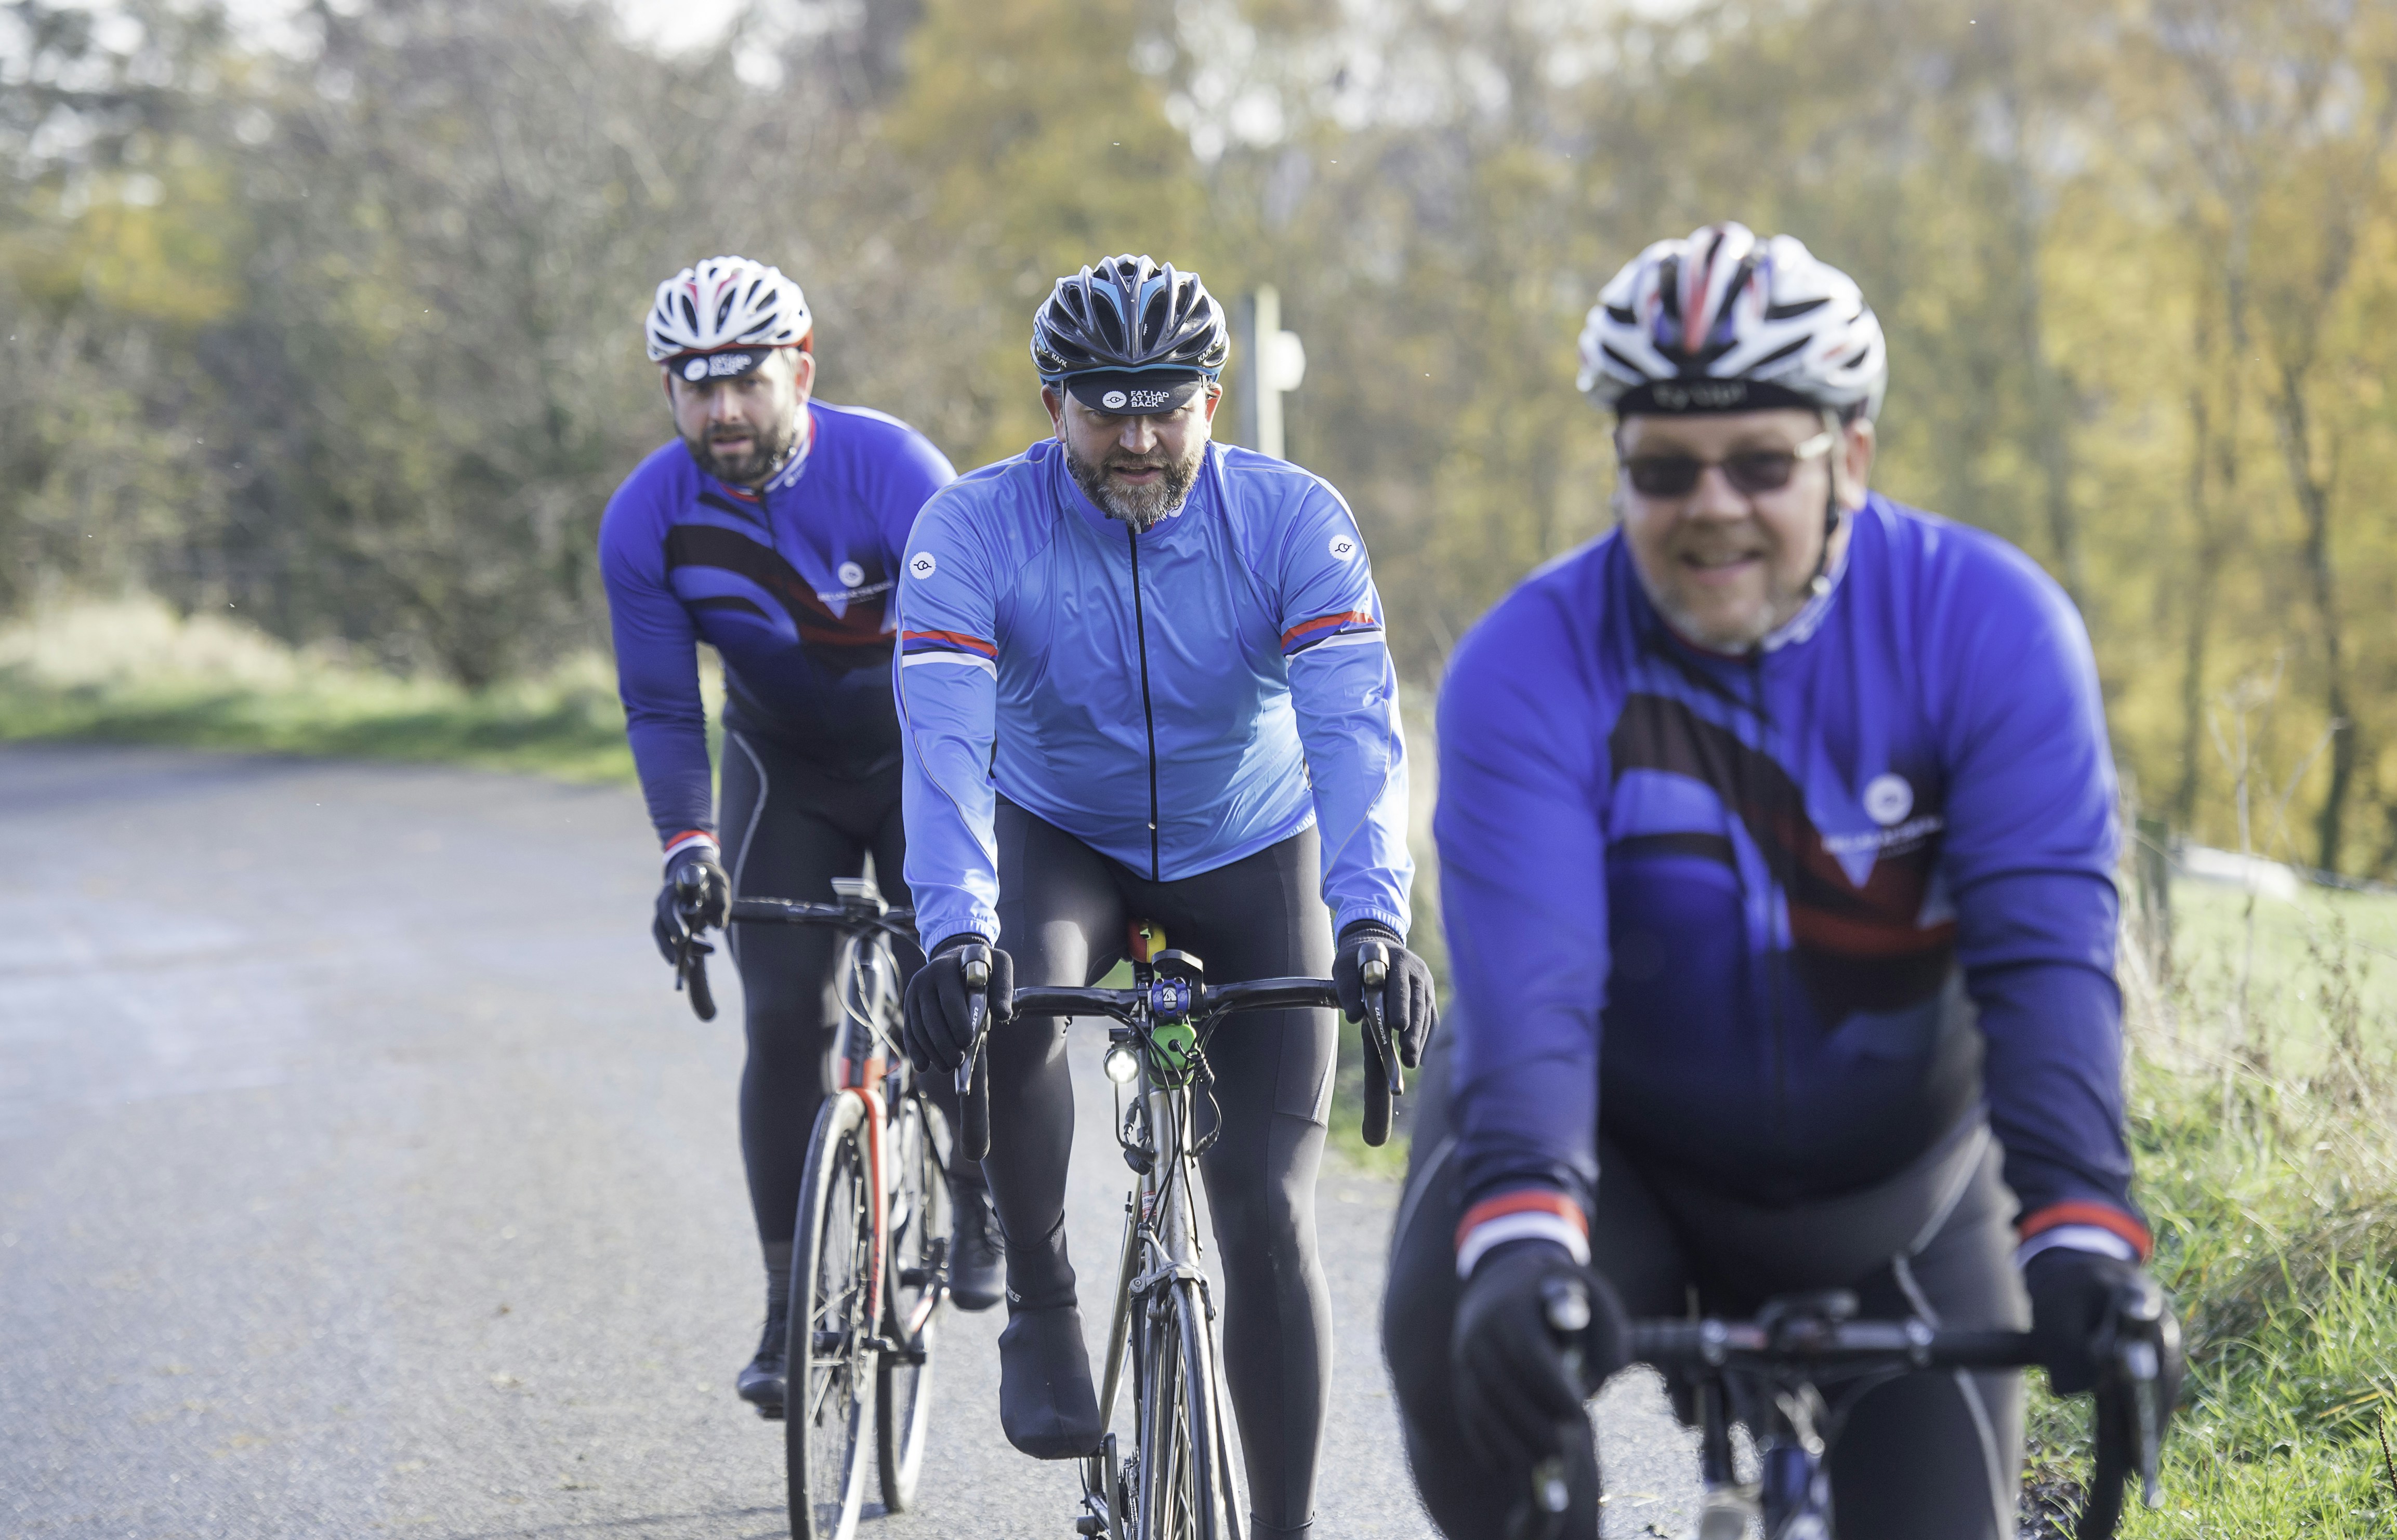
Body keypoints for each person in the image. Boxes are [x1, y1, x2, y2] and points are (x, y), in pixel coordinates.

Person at [1382, 222, 2176, 1537]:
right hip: (1615, 1153)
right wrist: (1521, 1233)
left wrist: (2081, 1225)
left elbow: (2040, 961)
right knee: (1450, 1332)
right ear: (1620, 469)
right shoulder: (1529, 662)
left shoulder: (1987, 626)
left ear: (1848, 457)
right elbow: (1533, 994)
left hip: (1898, 1191)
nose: (1711, 506)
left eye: (1761, 462)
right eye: (1663, 469)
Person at [892, 254, 1438, 1538]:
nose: (1136, 436)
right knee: (1013, 1001)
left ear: (1214, 394)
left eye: (1166, 402)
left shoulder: (1293, 520)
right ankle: (1039, 1291)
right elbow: (944, 752)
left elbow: (1357, 731)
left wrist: (1372, 922)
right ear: (1049, 403)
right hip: (1061, 837)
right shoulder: (973, 530)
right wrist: (955, 933)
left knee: (1263, 1211)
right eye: (1101, 404)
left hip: (1255, 847)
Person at [599, 254, 1001, 1420]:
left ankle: (971, 1188)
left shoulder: (894, 471)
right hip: (782, 766)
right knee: (783, 1020)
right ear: (669, 393)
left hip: (917, 755)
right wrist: (688, 850)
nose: (722, 409)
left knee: (951, 992)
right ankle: (787, 1303)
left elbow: (973, 662)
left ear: (800, 371)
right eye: (695, 385)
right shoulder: (648, 519)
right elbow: (665, 706)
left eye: (746, 381)